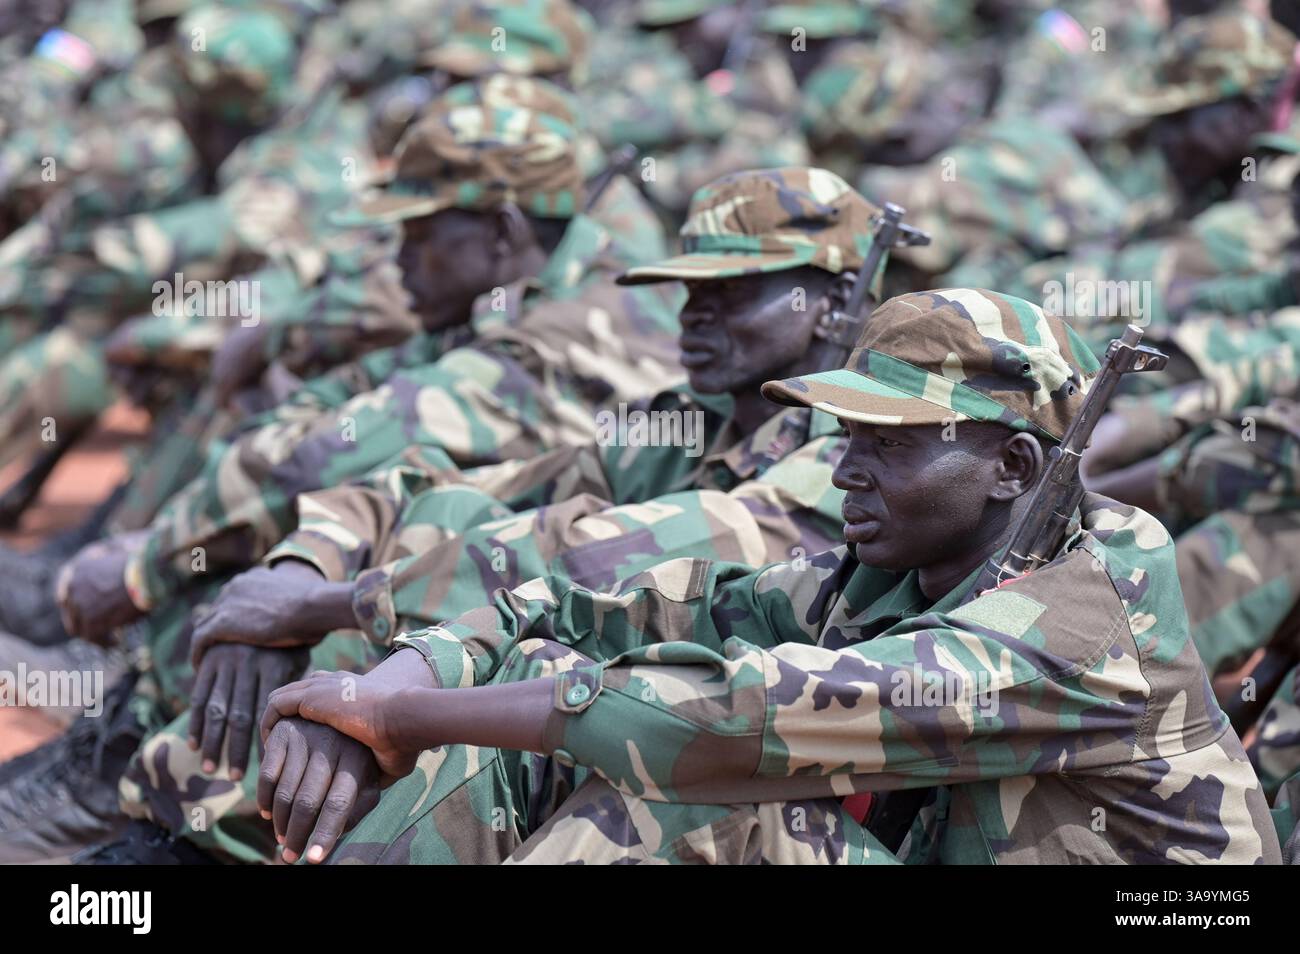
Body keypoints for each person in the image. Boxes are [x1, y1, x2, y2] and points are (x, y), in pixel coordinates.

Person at [257, 288, 1281, 865]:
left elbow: (720, 728)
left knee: (695, 800)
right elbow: (597, 605)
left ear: (1013, 468)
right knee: (524, 723)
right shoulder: (894, 574)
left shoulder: (1086, 617)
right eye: (844, 436)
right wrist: (409, 675)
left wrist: (406, 720)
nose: (844, 468)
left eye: (889, 444)